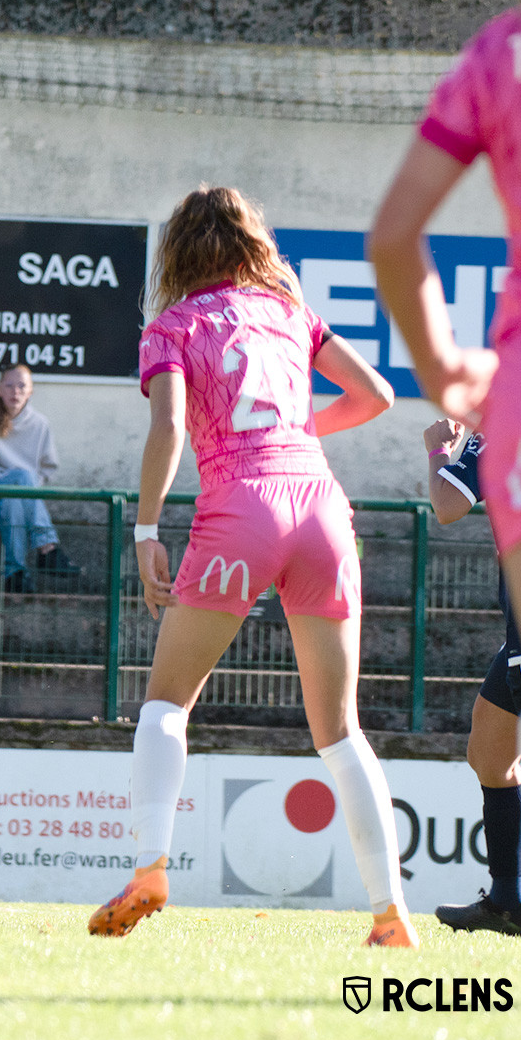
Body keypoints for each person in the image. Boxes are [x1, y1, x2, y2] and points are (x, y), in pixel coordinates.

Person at [90, 186, 409, 946]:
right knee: (339, 731)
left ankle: (151, 867)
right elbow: (378, 395)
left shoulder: (172, 325)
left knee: (167, 706)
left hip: (243, 505)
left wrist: (143, 530)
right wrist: (302, 431)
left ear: (177, 254)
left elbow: (169, 426)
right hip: (323, 507)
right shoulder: (292, 314)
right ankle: (390, 915)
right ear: (251, 244)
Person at [370, 0, 521, 1011]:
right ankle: (508, 897)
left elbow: (394, 236)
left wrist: (448, 379)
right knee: (497, 751)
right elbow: (455, 500)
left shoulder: (509, 52)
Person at [425, 422, 521, 935]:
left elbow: (447, 505)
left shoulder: (504, 417)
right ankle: (506, 901)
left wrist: (437, 450)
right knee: (490, 752)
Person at [0, 363, 80, 593]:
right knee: (22, 477)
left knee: (14, 499)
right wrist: (7, 479)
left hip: (19, 500)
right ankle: (47, 547)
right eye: (9, 385)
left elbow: (47, 469)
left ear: (31, 391)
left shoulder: (40, 424)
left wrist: (21, 488)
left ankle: (16, 575)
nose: (15, 391)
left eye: (22, 386)